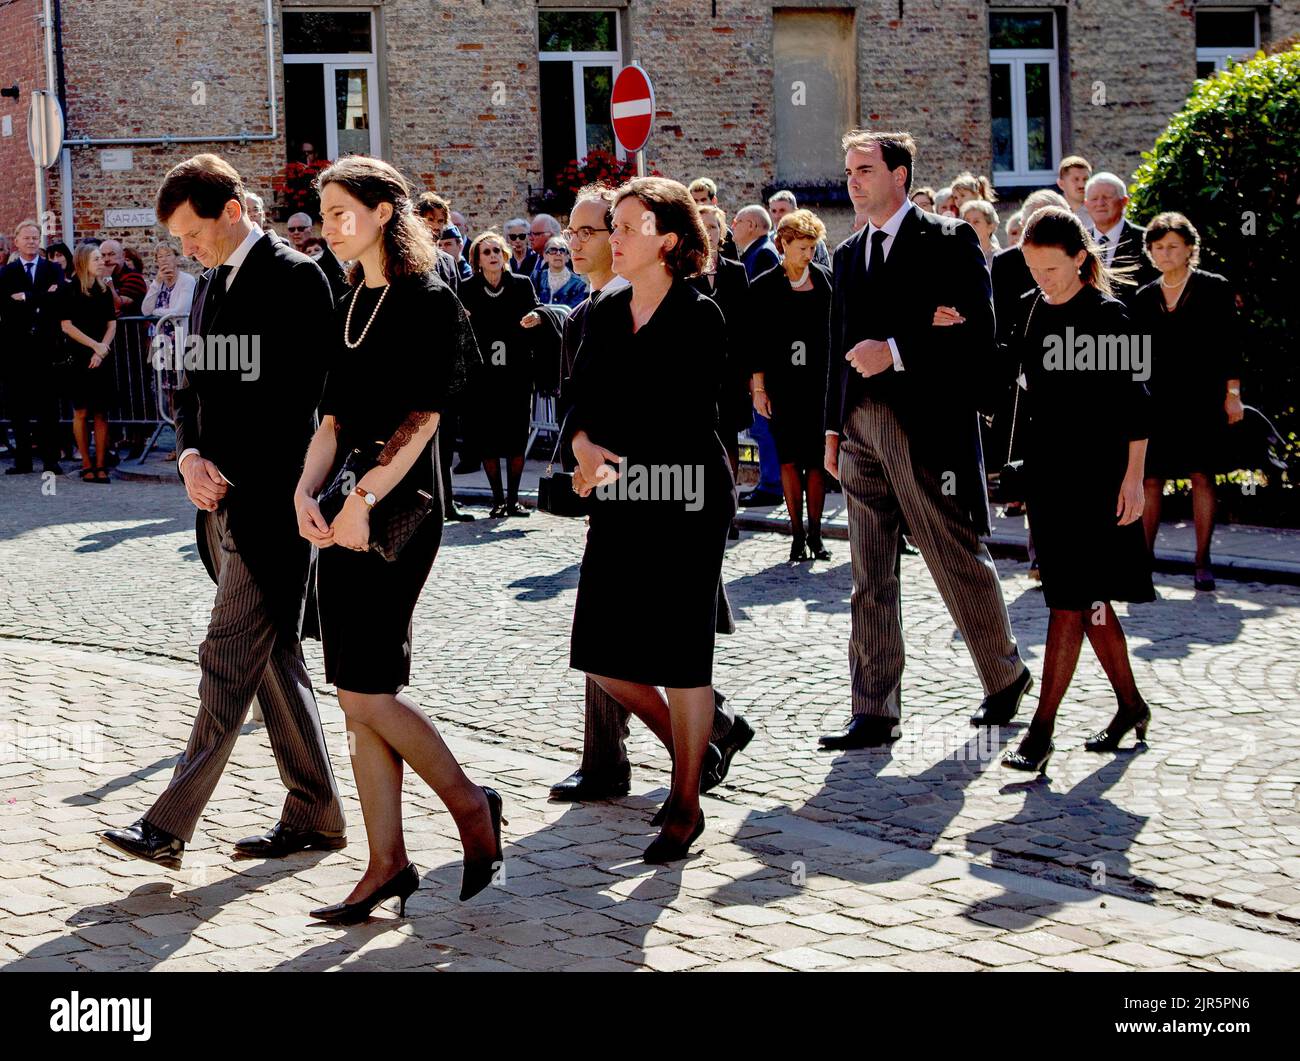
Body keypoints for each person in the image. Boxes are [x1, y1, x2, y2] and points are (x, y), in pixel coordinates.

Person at [100, 153, 346, 869]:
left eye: (191, 234)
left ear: (232, 211)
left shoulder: (298, 278)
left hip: (273, 505)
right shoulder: (209, 285)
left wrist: (226, 464)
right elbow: (190, 392)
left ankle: (168, 824)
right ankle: (317, 813)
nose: (185, 249)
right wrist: (188, 455)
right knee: (274, 663)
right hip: (219, 507)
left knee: (227, 659)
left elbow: (297, 404)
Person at [292, 155, 500, 920]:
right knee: (356, 697)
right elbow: (333, 420)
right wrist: (305, 490)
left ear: (384, 213)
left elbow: (425, 417)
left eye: (343, 209)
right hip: (344, 503)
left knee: (366, 689)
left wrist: (363, 500)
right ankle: (386, 862)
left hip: (399, 506)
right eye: (324, 210)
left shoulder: (427, 301)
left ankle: (471, 805)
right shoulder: (347, 301)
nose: (330, 223)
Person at [821, 130, 1030, 750]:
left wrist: (897, 348)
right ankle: (874, 708)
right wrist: (831, 428)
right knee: (868, 571)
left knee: (951, 553)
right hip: (857, 427)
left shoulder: (948, 238)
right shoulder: (848, 252)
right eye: (849, 169)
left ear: (900, 175)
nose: (853, 181)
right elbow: (837, 346)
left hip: (924, 427)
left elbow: (977, 333)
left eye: (865, 169)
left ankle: (1004, 672)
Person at [549, 183, 753, 804]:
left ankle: (684, 801)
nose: (616, 235)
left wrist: (602, 462)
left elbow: (677, 415)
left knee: (683, 659)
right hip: (619, 498)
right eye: (615, 224)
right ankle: (694, 746)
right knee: (603, 656)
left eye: (630, 226)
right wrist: (583, 447)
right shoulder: (607, 312)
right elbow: (579, 397)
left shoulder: (699, 313)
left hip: (685, 497)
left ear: (667, 239)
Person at [997, 206, 1154, 773]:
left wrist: (1134, 478)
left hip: (1101, 477)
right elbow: (1013, 385)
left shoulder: (1111, 316)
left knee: (1069, 602)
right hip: (1049, 478)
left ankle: (1040, 732)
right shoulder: (1031, 310)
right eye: (1034, 269)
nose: (1043, 280)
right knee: (1087, 601)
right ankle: (1132, 705)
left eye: (1053, 270)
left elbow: (1139, 403)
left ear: (1081, 259)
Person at [1133, 212, 1245, 592]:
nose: (1165, 254)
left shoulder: (1214, 288)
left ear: (1190, 249)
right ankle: (1143, 561)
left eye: (1173, 247)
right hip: (1157, 401)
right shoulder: (1144, 297)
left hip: (1202, 398)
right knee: (1150, 479)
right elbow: (1136, 356)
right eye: (1158, 247)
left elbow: (1231, 345)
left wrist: (1233, 395)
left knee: (1201, 474)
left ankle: (1202, 561)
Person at [750, 208, 833, 562]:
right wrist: (759, 388)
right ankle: (796, 534)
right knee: (788, 460)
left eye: (812, 247)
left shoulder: (827, 282)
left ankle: (816, 535)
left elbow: (837, 332)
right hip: (782, 386)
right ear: (783, 243)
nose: (808, 254)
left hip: (819, 386)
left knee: (816, 462)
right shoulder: (765, 285)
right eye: (801, 247)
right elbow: (755, 342)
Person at [461, 231, 539, 516]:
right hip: (483, 377)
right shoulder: (467, 288)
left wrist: (538, 317)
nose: (493, 256)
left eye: (497, 251)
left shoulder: (520, 285)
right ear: (478, 260)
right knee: (487, 437)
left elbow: (538, 310)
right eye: (487, 252)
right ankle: (496, 500)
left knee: (516, 435)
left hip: (515, 374)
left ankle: (513, 499)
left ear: (505, 255)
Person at [690, 202, 752, 539]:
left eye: (714, 227)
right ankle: (705, 506)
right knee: (701, 441)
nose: (709, 233)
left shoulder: (735, 271)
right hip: (697, 374)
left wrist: (749, 376)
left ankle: (730, 511)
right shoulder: (684, 272)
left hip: (730, 374)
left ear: (722, 232)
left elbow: (746, 326)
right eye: (703, 227)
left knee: (729, 441)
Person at [0, 219, 65, 475]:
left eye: (34, 237)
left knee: (48, 407)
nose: (31, 241)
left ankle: (51, 460)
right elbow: (5, 304)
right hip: (16, 349)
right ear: (16, 241)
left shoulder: (52, 269)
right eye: (25, 237)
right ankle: (23, 460)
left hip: (46, 349)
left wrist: (27, 297)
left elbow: (57, 298)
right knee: (18, 409)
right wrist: (41, 296)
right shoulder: (7, 272)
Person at [59, 244, 118, 483]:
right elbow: (66, 325)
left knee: (101, 412)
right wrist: (94, 346)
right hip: (79, 357)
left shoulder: (103, 291)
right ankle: (86, 462)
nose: (102, 261)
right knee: (82, 411)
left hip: (101, 357)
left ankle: (101, 463)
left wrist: (101, 350)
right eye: (96, 258)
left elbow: (111, 324)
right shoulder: (70, 290)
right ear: (84, 262)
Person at [1084, 172, 1158, 300]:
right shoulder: (1079, 241)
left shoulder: (1148, 240)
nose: (1100, 203)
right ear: (1086, 204)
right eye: (1094, 198)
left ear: (1124, 201)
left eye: (1107, 197)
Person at [413, 192, 464, 291]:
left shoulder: (449, 262)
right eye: (430, 220)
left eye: (440, 221)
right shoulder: (408, 258)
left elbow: (457, 301)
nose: (436, 226)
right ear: (418, 220)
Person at [768, 190, 831, 266]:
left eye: (782, 210)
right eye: (773, 211)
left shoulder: (814, 242)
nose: (777, 216)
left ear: (795, 211)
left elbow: (826, 273)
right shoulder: (767, 243)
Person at [141, 243, 197, 320]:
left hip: (179, 330)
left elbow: (180, 312)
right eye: (160, 257)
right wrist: (157, 283)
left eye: (168, 255)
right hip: (159, 331)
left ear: (177, 258)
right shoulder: (158, 283)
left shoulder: (187, 280)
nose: (164, 259)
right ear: (157, 261)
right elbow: (146, 311)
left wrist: (155, 312)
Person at [689, 177, 739, 260]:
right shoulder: (686, 231)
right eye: (695, 201)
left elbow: (733, 266)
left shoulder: (726, 233)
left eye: (703, 200)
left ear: (714, 201)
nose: (699, 204)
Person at [536, 235, 588, 308]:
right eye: (553, 250)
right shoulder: (536, 278)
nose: (558, 253)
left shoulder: (579, 285)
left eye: (562, 250)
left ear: (567, 257)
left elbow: (574, 313)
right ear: (545, 256)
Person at [98, 240, 147, 316]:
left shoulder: (134, 277)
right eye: (103, 255)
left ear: (123, 255)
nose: (106, 259)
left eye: (111, 254)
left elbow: (117, 305)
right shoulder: (98, 276)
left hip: (130, 326)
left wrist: (107, 279)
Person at [959, 199, 1001, 269]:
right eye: (967, 221)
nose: (970, 226)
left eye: (976, 222)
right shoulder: (958, 256)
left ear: (990, 227)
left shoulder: (1000, 258)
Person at [526, 213, 562, 294]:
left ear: (551, 235)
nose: (530, 238)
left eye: (536, 234)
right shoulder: (529, 259)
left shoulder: (562, 260)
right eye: (530, 234)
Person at [1056, 154, 1093, 230]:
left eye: (1085, 179)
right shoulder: (1053, 214)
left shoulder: (1098, 214)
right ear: (1061, 184)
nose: (1082, 185)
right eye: (1076, 179)